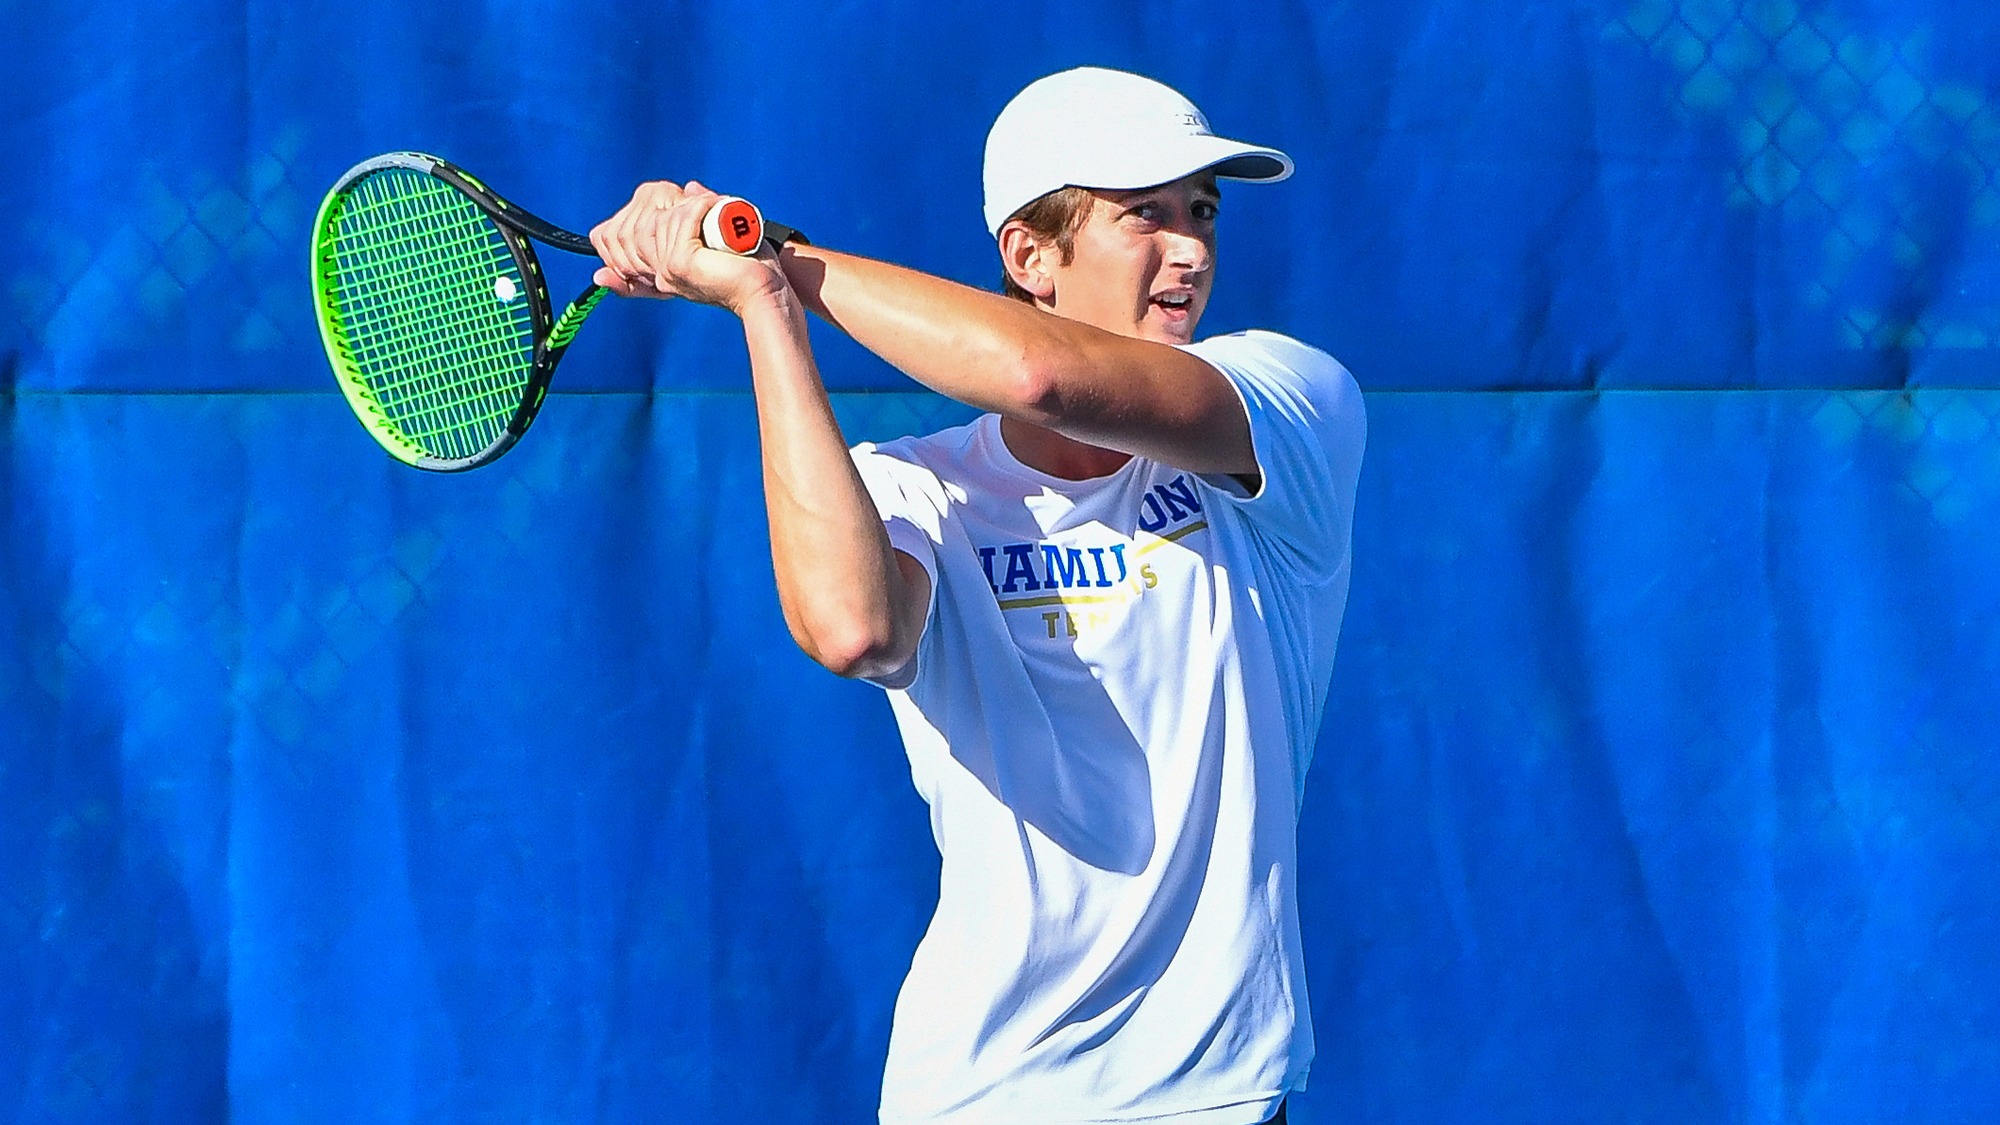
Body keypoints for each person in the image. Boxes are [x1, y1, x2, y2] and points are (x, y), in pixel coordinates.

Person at [590, 66, 1364, 1125]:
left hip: (1218, 1099)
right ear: (1029, 257)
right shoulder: (914, 486)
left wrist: (776, 252)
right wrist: (763, 305)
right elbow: (853, 631)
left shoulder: (1288, 402)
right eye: (1146, 215)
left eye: (1203, 213)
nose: (1190, 248)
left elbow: (1037, 377)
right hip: (977, 1096)